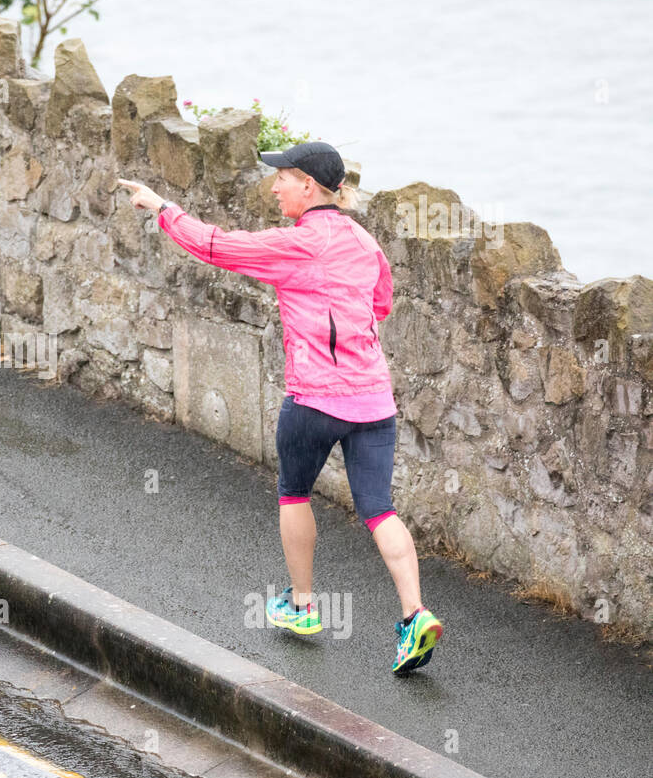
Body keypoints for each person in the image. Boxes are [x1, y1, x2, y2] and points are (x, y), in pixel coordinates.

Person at [117, 141, 443, 674]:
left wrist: (161, 207)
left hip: (315, 398)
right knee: (379, 508)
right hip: (373, 401)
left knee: (293, 493)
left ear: (308, 187)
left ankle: (302, 606)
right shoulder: (365, 242)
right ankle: (415, 614)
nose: (274, 187)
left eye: (283, 178)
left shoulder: (297, 244)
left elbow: (217, 246)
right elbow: (380, 303)